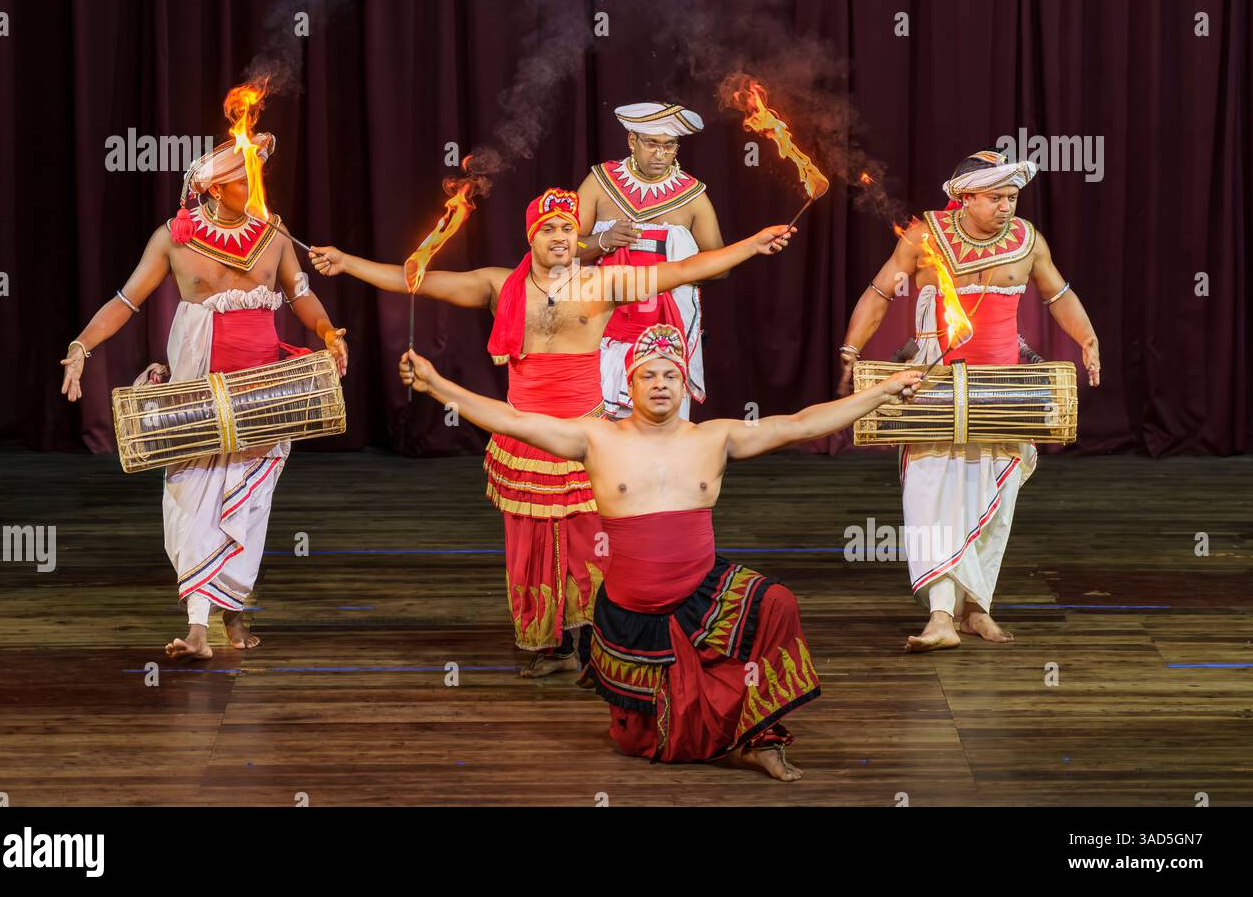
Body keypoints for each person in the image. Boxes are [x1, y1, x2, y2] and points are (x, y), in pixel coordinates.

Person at [399, 324, 922, 780]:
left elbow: (801, 423)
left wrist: (882, 392)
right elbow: (511, 420)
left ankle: (760, 739)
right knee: (633, 742)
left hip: (702, 593)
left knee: (778, 603)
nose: (660, 385)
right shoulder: (595, 437)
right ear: (629, 384)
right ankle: (699, 722)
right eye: (648, 375)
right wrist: (435, 383)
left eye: (670, 375)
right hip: (632, 615)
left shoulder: (715, 437)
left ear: (685, 385)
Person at [309, 189, 793, 676]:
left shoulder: (603, 283)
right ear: (531, 236)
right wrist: (346, 261)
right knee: (533, 546)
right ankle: (555, 646)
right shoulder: (499, 287)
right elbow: (416, 281)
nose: (561, 237)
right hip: (524, 436)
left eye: (567, 228)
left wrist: (752, 243)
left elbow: (686, 271)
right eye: (549, 229)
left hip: (587, 435)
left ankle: (598, 647)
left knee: (594, 546)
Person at [60, 137, 348, 659]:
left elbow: (301, 295)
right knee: (191, 497)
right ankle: (198, 627)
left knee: (250, 501)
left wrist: (329, 334)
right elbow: (126, 301)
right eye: (244, 179)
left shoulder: (275, 234)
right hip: (198, 392)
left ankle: (234, 613)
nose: (255, 185)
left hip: (261, 393)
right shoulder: (175, 238)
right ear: (213, 188)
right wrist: (82, 345)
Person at [837, 150, 1101, 652]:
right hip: (934, 386)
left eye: (1011, 197)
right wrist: (851, 348)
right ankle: (940, 616)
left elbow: (1058, 294)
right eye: (995, 197)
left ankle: (978, 607)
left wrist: (1087, 338)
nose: (1006, 206)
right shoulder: (924, 236)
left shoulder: (1028, 241)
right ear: (964, 196)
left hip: (1002, 387)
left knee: (995, 497)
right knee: (930, 493)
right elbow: (878, 293)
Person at [575, 101, 724, 418]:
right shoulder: (600, 182)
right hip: (602, 324)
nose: (660, 154)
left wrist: (671, 273)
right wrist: (603, 240)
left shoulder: (692, 196)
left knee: (660, 419)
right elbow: (560, 250)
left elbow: (719, 267)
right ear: (632, 141)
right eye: (652, 144)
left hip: (663, 329)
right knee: (601, 423)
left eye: (669, 146)